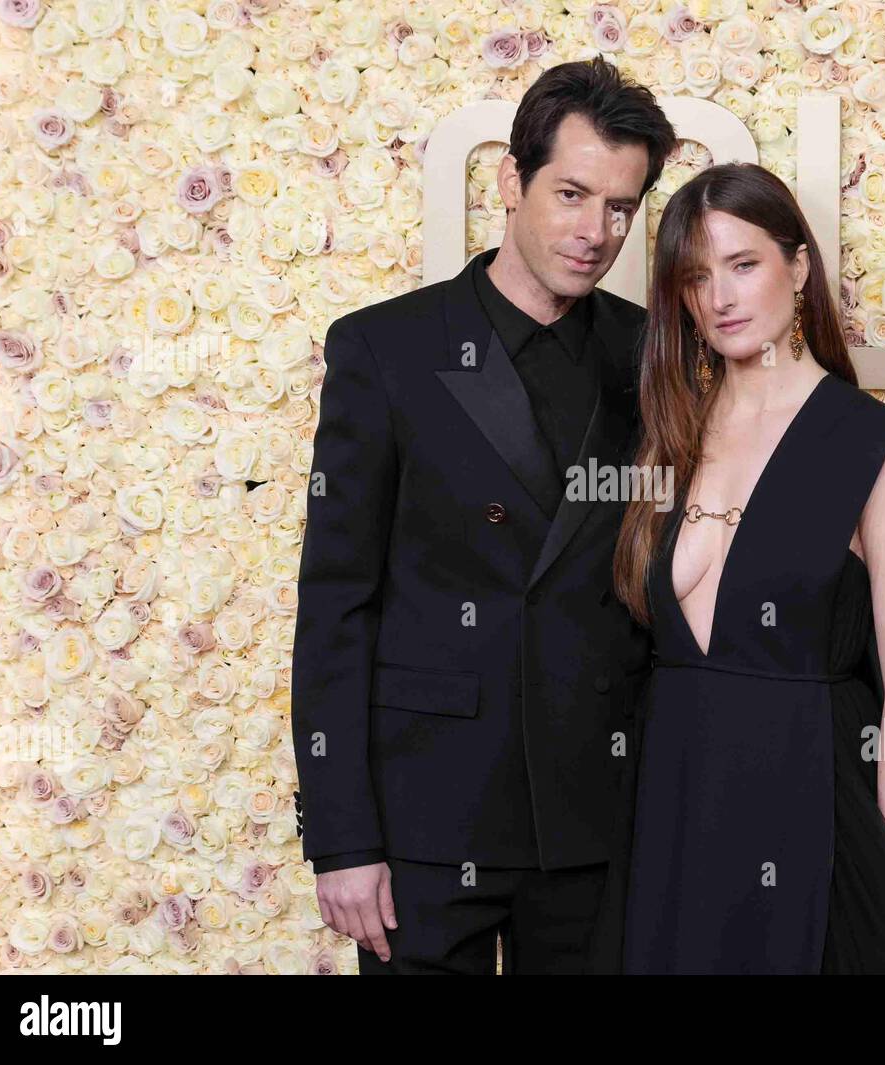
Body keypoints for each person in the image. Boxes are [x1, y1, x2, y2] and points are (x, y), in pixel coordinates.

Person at [290, 57, 676, 974]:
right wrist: (342, 838)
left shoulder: (652, 358)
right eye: (572, 193)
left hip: (595, 817)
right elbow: (336, 605)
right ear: (511, 179)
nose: (595, 233)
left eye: (620, 207)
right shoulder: (386, 350)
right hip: (426, 821)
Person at [590, 161, 885, 974]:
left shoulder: (876, 445)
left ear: (800, 267)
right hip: (672, 806)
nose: (721, 298)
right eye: (697, 277)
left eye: (744, 265)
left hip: (811, 804)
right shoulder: (669, 434)